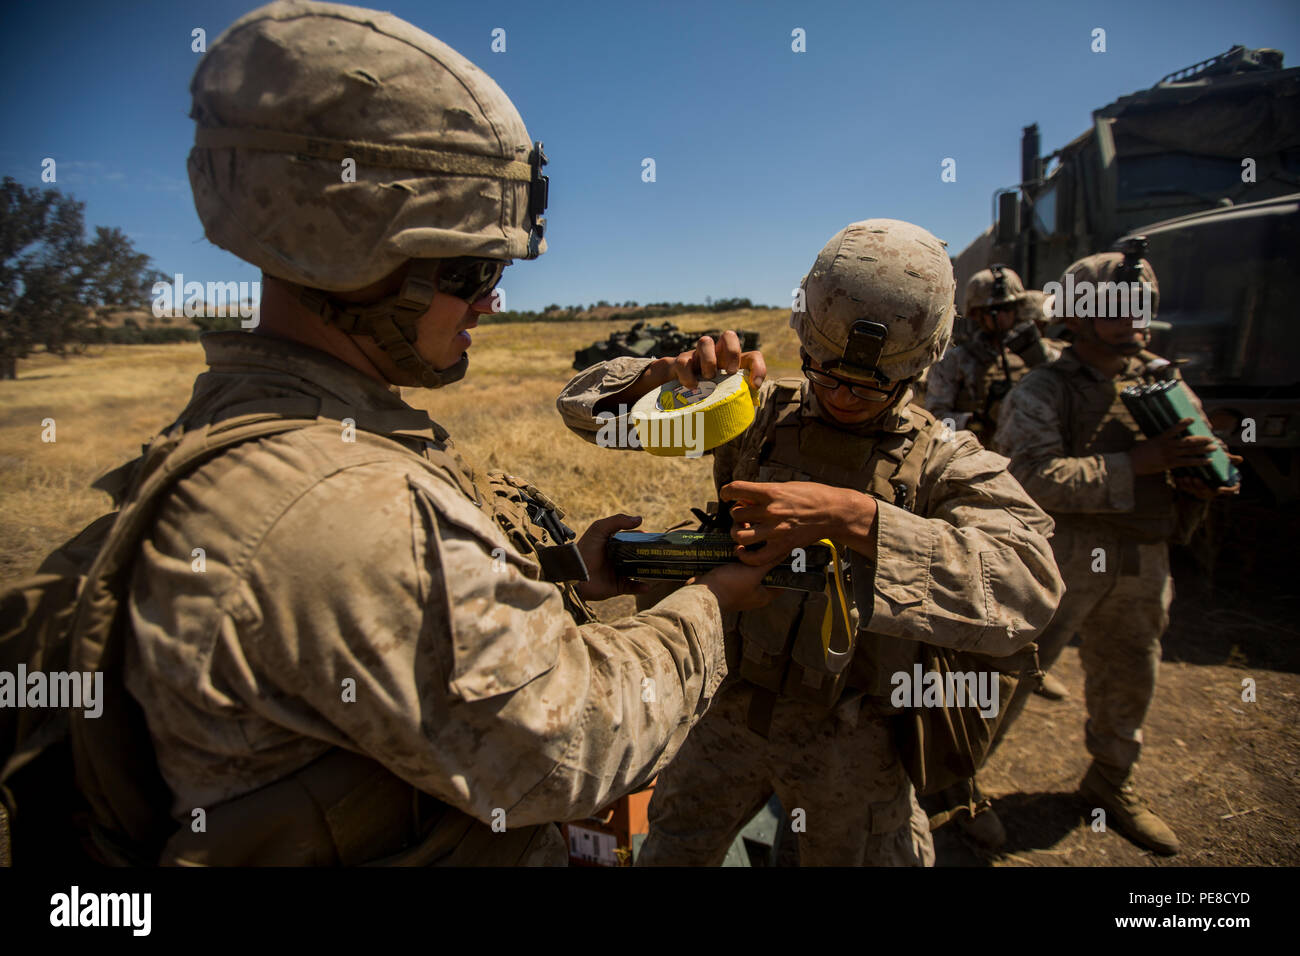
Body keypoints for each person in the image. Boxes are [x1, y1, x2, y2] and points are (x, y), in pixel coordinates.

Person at [72, 0, 776, 867]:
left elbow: (401, 654)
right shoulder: (342, 502)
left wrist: (563, 575)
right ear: (357, 260)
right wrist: (708, 608)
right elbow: (566, 747)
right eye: (472, 269)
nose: (490, 299)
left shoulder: (284, 431)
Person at [556, 219, 1063, 866]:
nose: (844, 395)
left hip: (851, 738)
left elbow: (1028, 588)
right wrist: (658, 380)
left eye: (873, 384)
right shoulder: (757, 417)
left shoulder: (944, 463)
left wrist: (857, 518)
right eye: (824, 371)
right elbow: (587, 417)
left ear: (923, 361)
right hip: (724, 712)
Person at [992, 251, 1240, 856]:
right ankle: (957, 784)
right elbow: (1025, 476)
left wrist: (1208, 474)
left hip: (1142, 556)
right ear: (1077, 316)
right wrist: (1138, 464)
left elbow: (1198, 445)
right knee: (1006, 674)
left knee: (1132, 670)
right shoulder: (1044, 388)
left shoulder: (1159, 376)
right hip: (1063, 555)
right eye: (1115, 308)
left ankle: (1110, 782)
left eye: (1141, 307)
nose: (1133, 320)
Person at [925, 265, 1061, 441]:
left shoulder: (1041, 353)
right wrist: (975, 422)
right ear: (977, 314)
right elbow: (935, 419)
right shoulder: (956, 360)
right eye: (995, 311)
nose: (1003, 317)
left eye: (1008, 308)